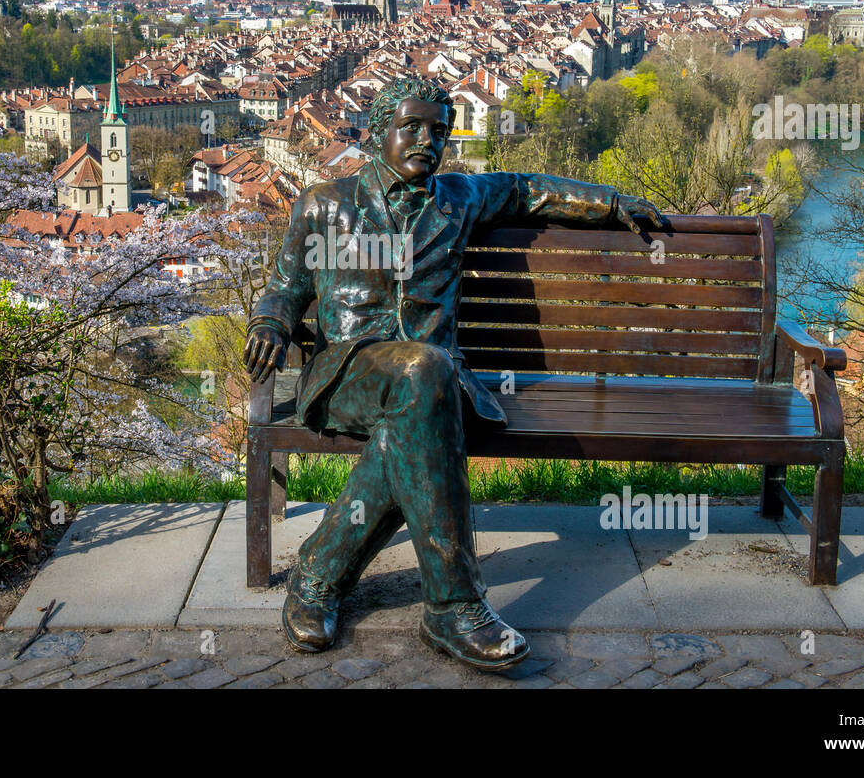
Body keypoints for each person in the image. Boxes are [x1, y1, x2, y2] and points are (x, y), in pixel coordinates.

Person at [243, 76, 665, 671]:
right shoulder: (326, 202)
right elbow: (285, 287)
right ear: (378, 131)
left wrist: (610, 201)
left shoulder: (457, 198)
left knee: (417, 402)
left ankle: (320, 574)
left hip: (434, 379)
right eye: (412, 127)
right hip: (345, 375)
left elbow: (525, 190)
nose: (427, 140)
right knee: (422, 378)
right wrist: (269, 325)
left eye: (438, 131)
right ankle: (454, 605)